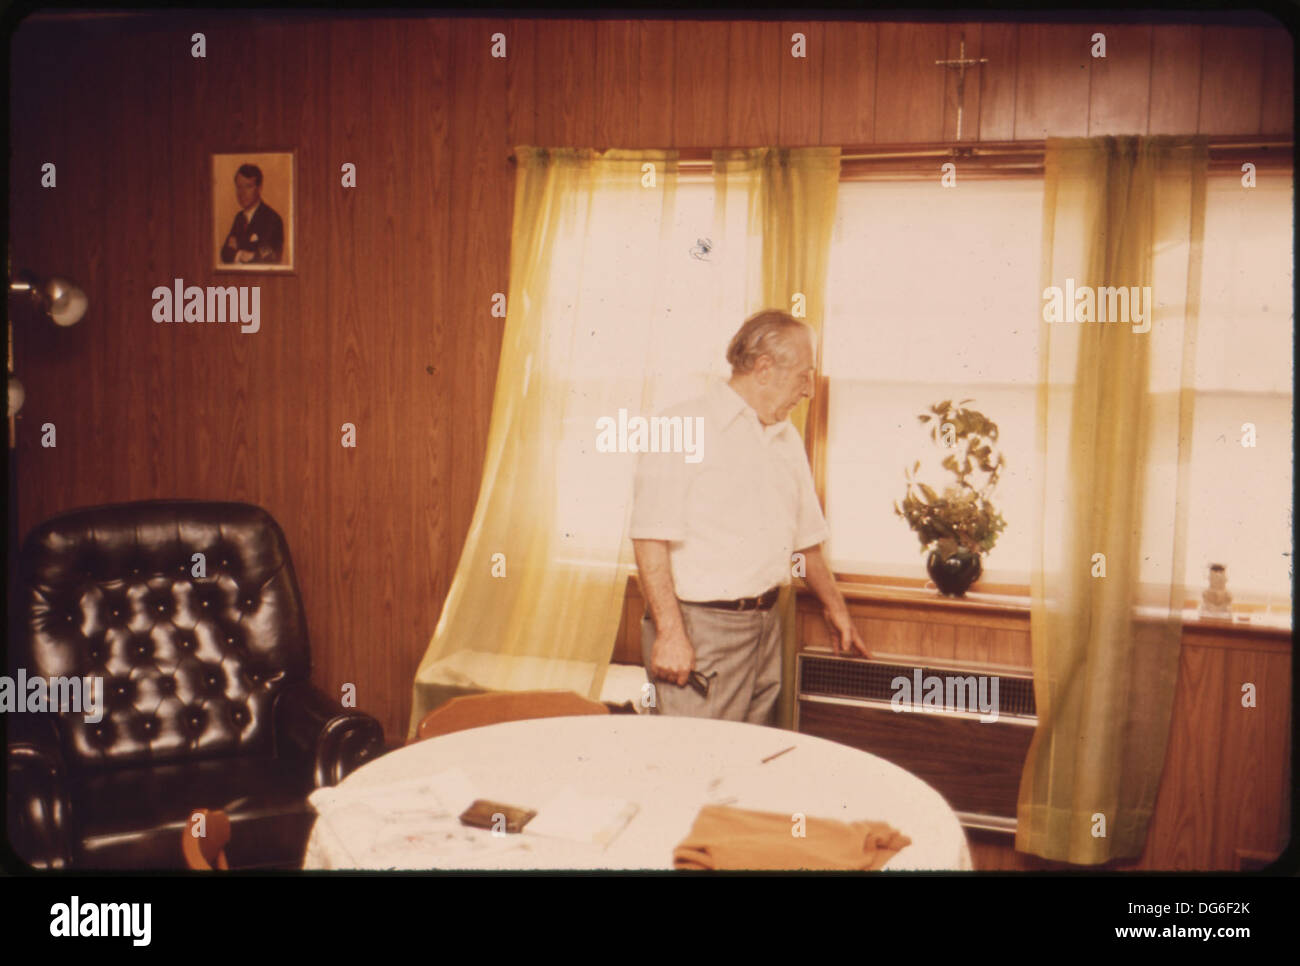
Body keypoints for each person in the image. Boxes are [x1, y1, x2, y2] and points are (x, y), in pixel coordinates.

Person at [630, 309, 869, 723]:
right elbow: (649, 538)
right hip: (700, 629)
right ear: (763, 368)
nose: (810, 390)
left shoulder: (785, 437)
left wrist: (837, 608)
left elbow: (806, 542)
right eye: (804, 375)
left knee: (749, 766)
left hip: (765, 626)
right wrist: (671, 634)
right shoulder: (682, 425)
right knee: (695, 769)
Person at [220, 164, 284, 264]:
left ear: (259, 188)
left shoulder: (272, 219)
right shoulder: (239, 218)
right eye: (239, 187)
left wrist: (238, 251)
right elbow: (225, 254)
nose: (242, 193)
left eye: (248, 186)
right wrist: (242, 254)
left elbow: (270, 257)